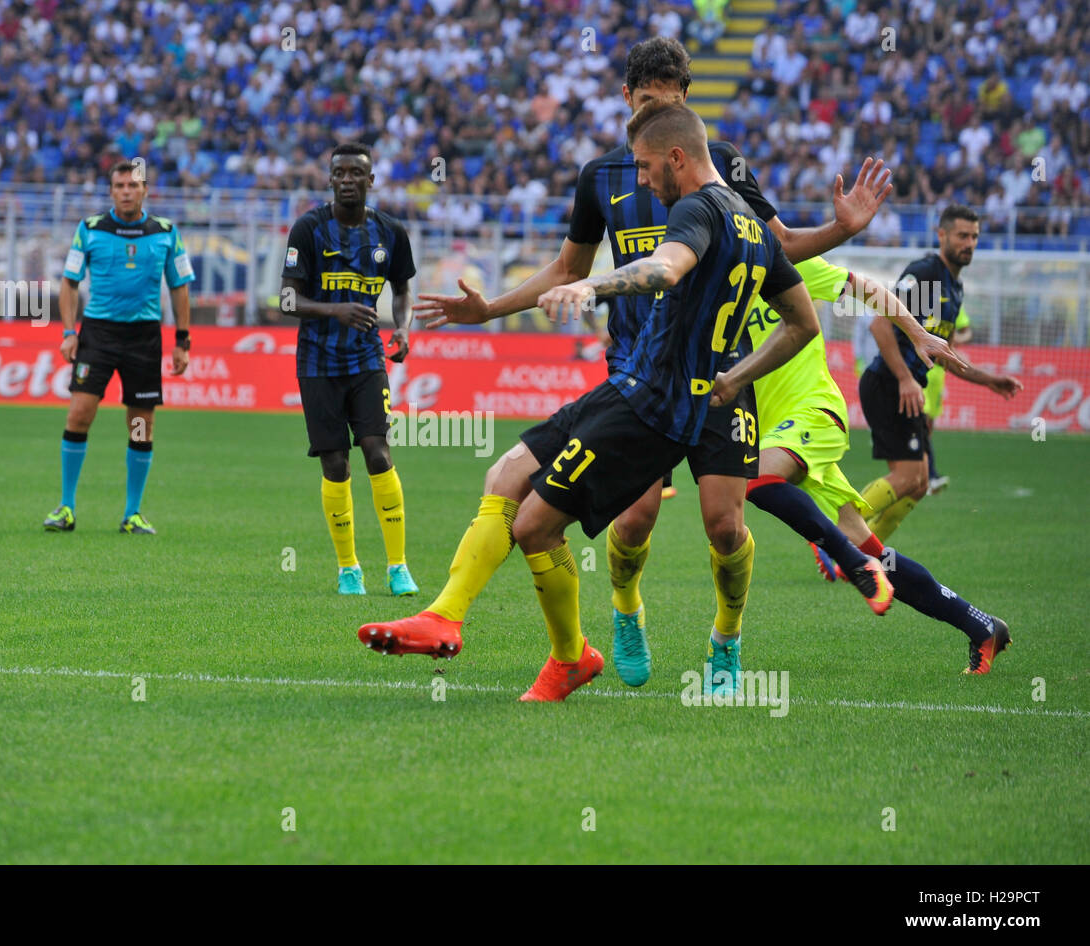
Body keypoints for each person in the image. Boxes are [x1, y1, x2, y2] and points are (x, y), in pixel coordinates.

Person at [404, 37, 891, 687]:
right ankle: (624, 612)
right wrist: (493, 308)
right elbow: (569, 267)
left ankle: (722, 639)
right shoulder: (607, 177)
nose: (657, 113)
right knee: (629, 518)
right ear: (628, 98)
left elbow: (764, 253)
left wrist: (839, 234)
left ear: (682, 123)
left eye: (672, 99)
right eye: (648, 99)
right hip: (639, 373)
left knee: (723, 523)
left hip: (709, 378)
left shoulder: (717, 180)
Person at [717, 255, 1012, 675]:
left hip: (813, 413)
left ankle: (847, 560)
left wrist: (916, 332)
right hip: (776, 429)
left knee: (758, 480)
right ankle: (979, 624)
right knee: (870, 546)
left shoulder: (785, 262)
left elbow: (868, 290)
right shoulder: (714, 280)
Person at [280, 142, 419, 596]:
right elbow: (285, 299)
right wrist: (334, 310)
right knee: (335, 463)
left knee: (378, 452)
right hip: (317, 363)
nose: (346, 180)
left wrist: (401, 328)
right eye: (339, 172)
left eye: (356, 173)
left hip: (365, 360)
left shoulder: (391, 232)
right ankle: (348, 569)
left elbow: (401, 290)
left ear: (370, 180)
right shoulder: (308, 229)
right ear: (330, 178)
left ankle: (398, 566)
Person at [43, 160, 194, 534]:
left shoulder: (166, 232)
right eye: (119, 185)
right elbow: (69, 283)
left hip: (144, 336)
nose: (126, 191)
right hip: (98, 335)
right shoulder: (91, 229)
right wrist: (68, 331)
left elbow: (179, 286)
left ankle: (132, 513)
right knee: (79, 413)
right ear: (111, 191)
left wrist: (182, 341)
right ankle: (66, 507)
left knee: (141, 423)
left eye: (133, 185)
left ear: (145, 190)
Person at [857, 205, 1022, 542]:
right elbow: (879, 325)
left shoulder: (954, 288)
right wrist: (904, 378)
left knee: (917, 484)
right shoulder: (925, 272)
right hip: (888, 383)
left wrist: (990, 381)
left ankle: (861, 554)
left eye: (975, 237)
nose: (970, 243)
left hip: (905, 388)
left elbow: (943, 352)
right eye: (963, 235)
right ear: (941, 234)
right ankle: (835, 534)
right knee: (907, 478)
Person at [923, 305, 971, 494]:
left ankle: (925, 471)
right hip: (920, 367)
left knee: (929, 426)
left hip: (939, 372)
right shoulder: (921, 297)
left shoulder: (953, 301)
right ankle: (928, 474)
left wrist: (955, 339)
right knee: (922, 421)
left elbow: (967, 332)